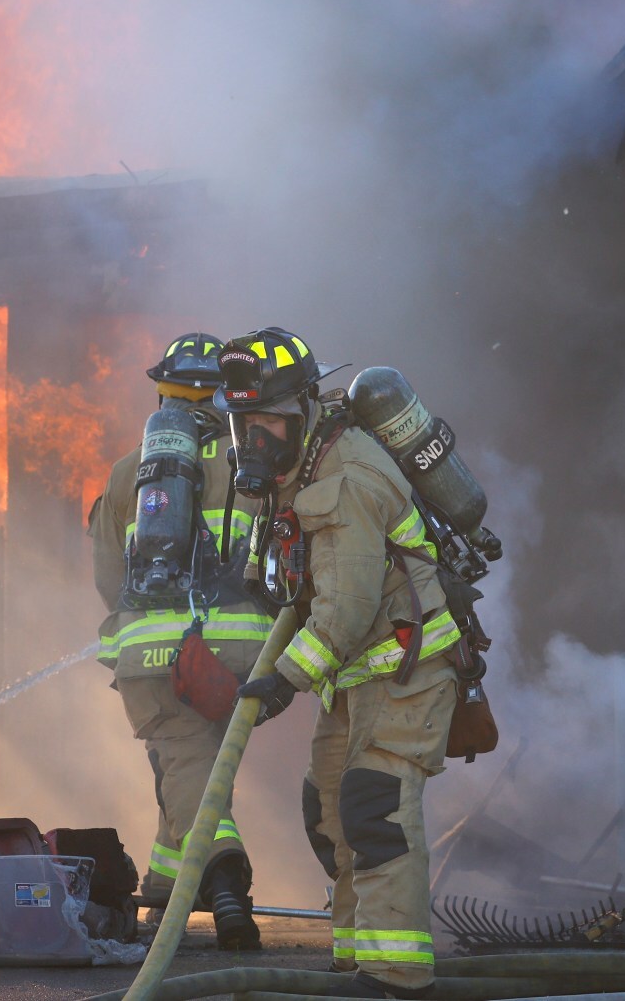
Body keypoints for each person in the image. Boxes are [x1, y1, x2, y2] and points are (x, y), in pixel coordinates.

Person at [218, 328, 460, 997]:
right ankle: (354, 961)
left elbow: (347, 611)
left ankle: (396, 975)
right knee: (328, 807)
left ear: (302, 412)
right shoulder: (306, 469)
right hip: (360, 674)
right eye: (245, 424)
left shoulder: (345, 476)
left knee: (375, 808)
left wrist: (282, 682)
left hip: (406, 669)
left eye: (269, 421)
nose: (256, 439)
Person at [88, 332, 272, 949]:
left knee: (185, 762)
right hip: (240, 654)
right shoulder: (254, 466)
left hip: (149, 657)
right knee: (192, 765)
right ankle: (168, 890)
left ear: (163, 391)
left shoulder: (127, 476)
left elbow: (109, 580)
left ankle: (224, 888)